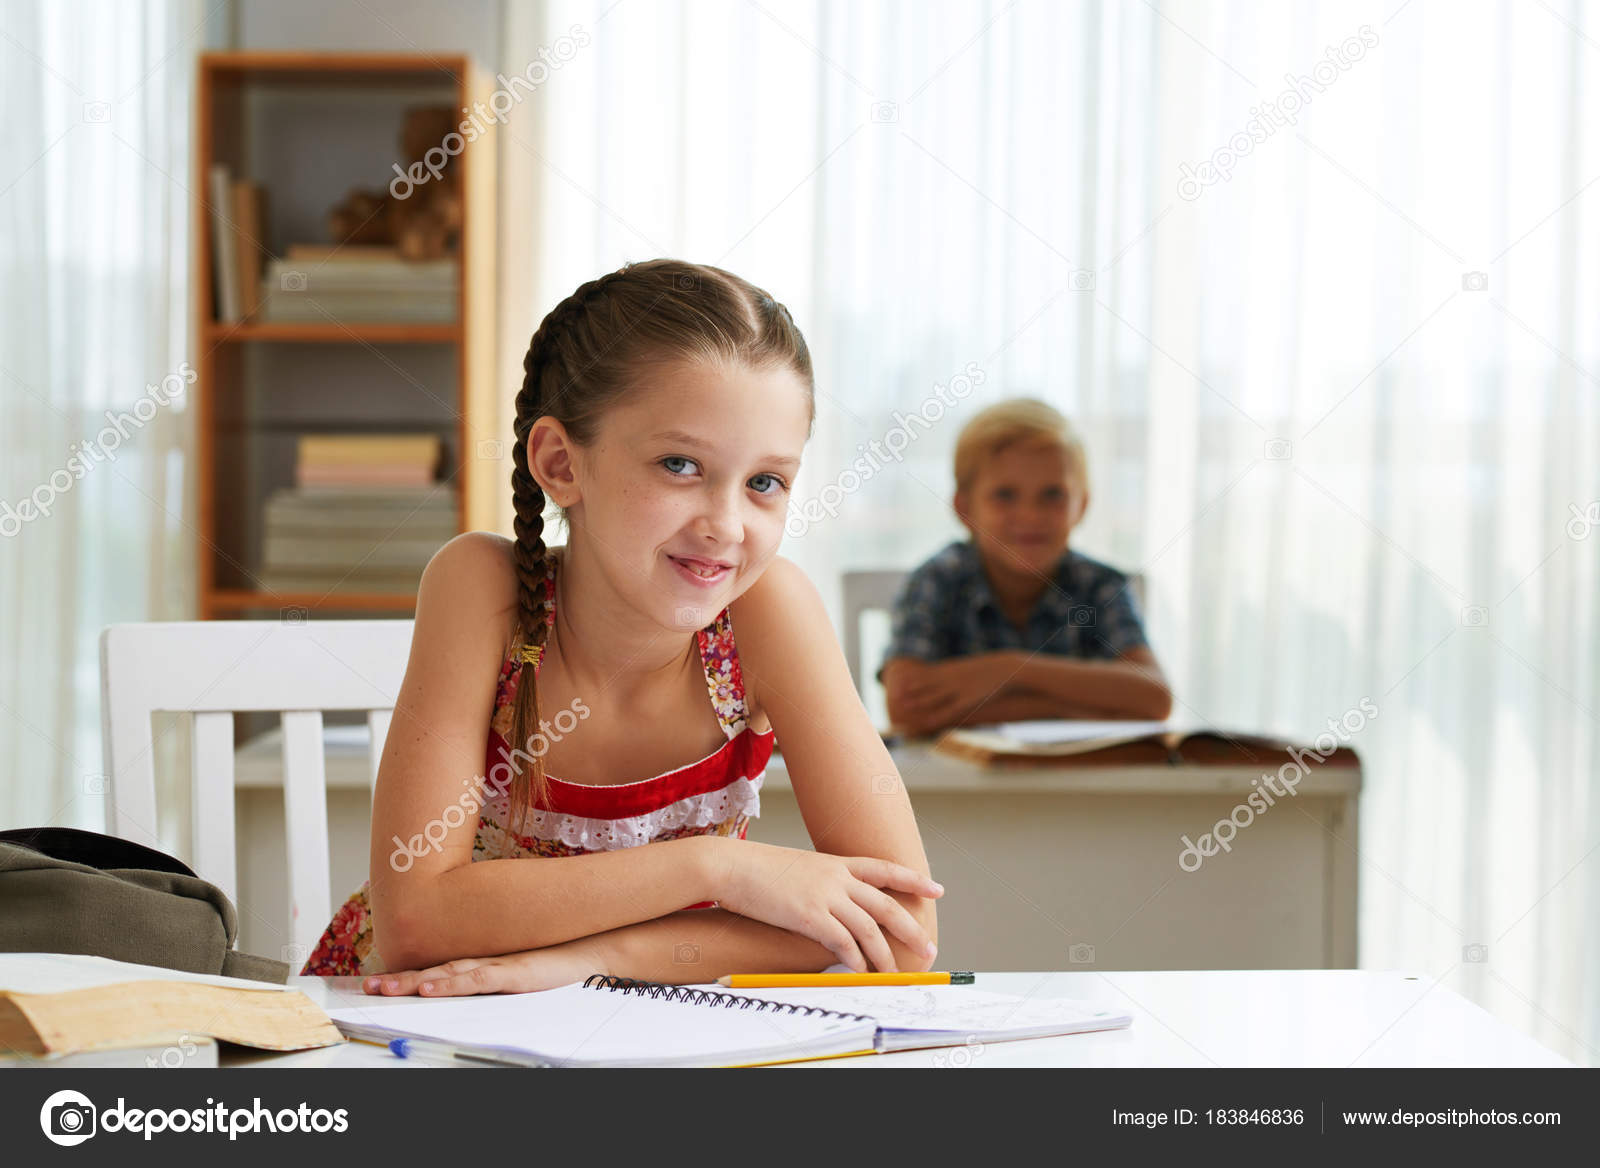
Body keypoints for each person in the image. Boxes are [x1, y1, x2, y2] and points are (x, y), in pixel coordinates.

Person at [301, 259, 942, 995]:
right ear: (560, 463)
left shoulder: (768, 613)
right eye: (679, 464)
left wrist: (593, 961)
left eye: (765, 482)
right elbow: (418, 921)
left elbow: (904, 929)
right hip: (429, 1020)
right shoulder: (482, 589)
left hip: (641, 1022)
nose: (725, 525)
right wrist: (719, 869)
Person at [880, 398, 1172, 735]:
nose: (1031, 516)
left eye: (1052, 494)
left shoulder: (1101, 585)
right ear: (964, 508)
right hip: (962, 787)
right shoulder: (936, 581)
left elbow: (1154, 699)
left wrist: (1009, 670)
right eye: (1005, 494)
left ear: (1082, 506)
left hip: (1076, 785)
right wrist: (1077, 706)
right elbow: (906, 712)